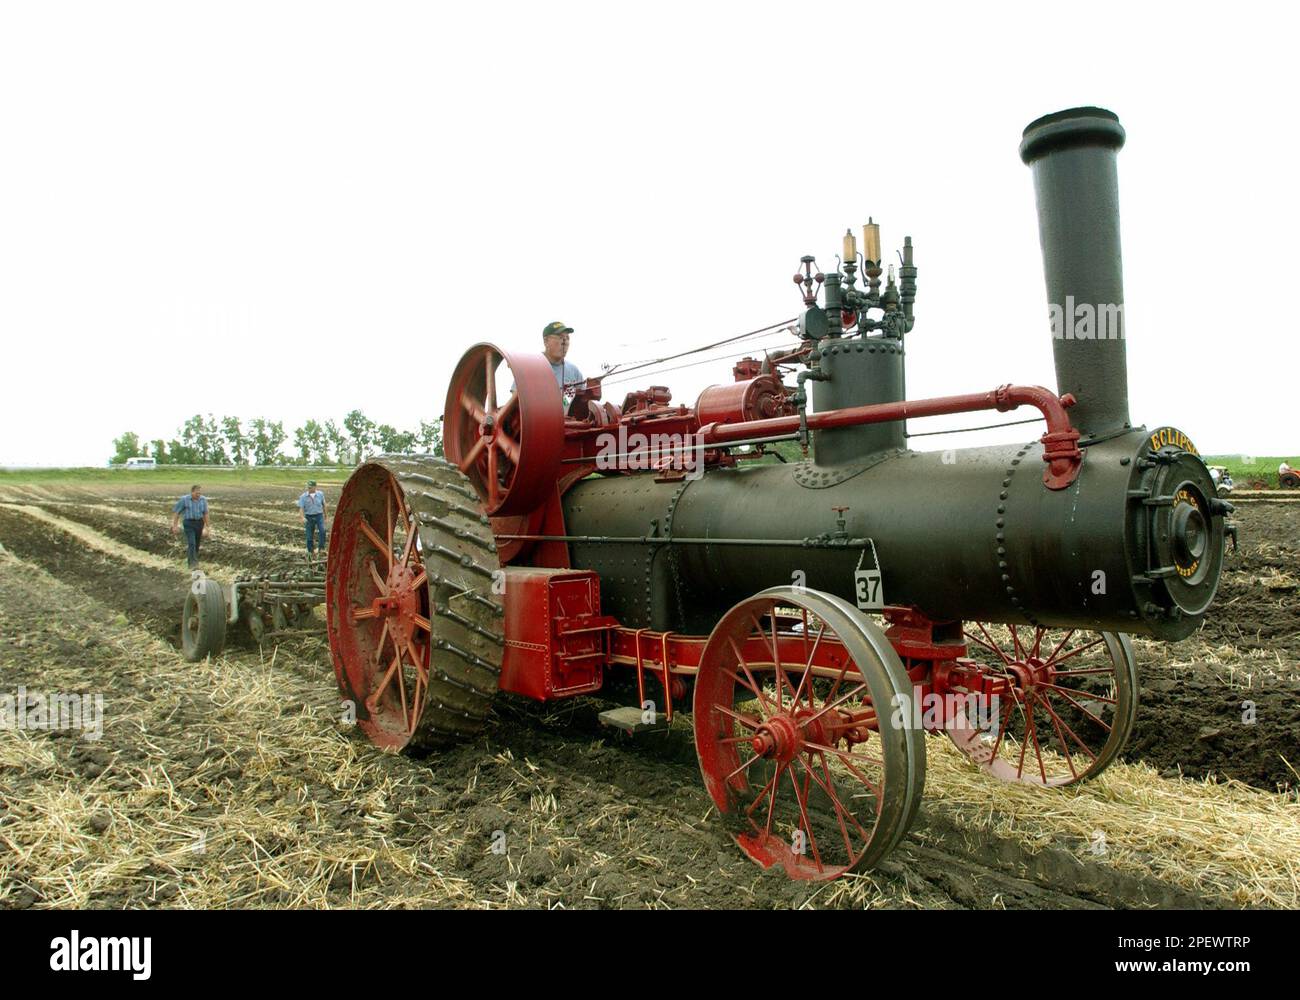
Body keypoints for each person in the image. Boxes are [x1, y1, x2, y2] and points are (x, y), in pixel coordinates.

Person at [542, 321, 584, 412]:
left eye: (567, 338)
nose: (564, 342)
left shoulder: (574, 371)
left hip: (565, 424)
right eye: (560, 338)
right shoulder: (530, 367)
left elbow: (583, 400)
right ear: (546, 341)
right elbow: (518, 401)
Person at [170, 485, 211, 569]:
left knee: (196, 544)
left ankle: (192, 560)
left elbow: (206, 513)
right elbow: (177, 513)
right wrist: (175, 526)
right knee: (191, 543)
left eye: (199, 493)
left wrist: (207, 527)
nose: (198, 495)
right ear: (192, 492)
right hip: (189, 523)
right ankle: (193, 564)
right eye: (197, 493)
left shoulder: (203, 500)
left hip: (199, 523)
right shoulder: (184, 499)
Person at [297, 480, 328, 559]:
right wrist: (302, 517)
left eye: (310, 487)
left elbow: (324, 505)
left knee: (322, 531)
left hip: (319, 516)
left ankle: (321, 548)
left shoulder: (320, 494)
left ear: (315, 487)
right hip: (309, 517)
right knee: (309, 536)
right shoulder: (303, 496)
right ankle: (310, 551)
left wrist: (326, 516)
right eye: (308, 487)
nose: (309, 489)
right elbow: (301, 508)